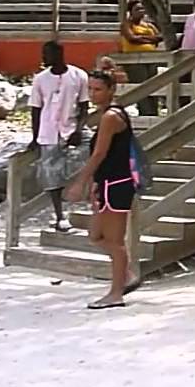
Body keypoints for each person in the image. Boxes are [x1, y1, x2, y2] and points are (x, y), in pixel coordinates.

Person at [67, 71, 138, 309]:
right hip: (106, 183)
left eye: (98, 89)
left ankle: (116, 293)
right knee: (95, 236)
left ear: (111, 91)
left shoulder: (111, 117)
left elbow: (100, 153)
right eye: (90, 89)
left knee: (115, 242)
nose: (93, 94)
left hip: (117, 184)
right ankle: (125, 275)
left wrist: (80, 181)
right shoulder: (105, 115)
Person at [28, 41, 90, 232]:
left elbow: (84, 106)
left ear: (59, 54)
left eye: (47, 54)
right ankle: (60, 216)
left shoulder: (78, 75)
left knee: (96, 150)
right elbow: (36, 109)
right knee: (51, 172)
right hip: (48, 131)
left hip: (72, 127)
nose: (44, 58)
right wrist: (35, 136)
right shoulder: (40, 79)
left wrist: (79, 130)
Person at [119, 0, 162, 117]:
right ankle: (146, 114)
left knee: (153, 86)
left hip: (151, 59)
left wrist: (142, 39)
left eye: (142, 9)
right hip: (134, 61)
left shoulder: (148, 25)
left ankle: (154, 113)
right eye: (137, 9)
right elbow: (131, 38)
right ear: (130, 11)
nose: (141, 11)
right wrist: (149, 39)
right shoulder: (126, 24)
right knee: (141, 87)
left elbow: (159, 37)